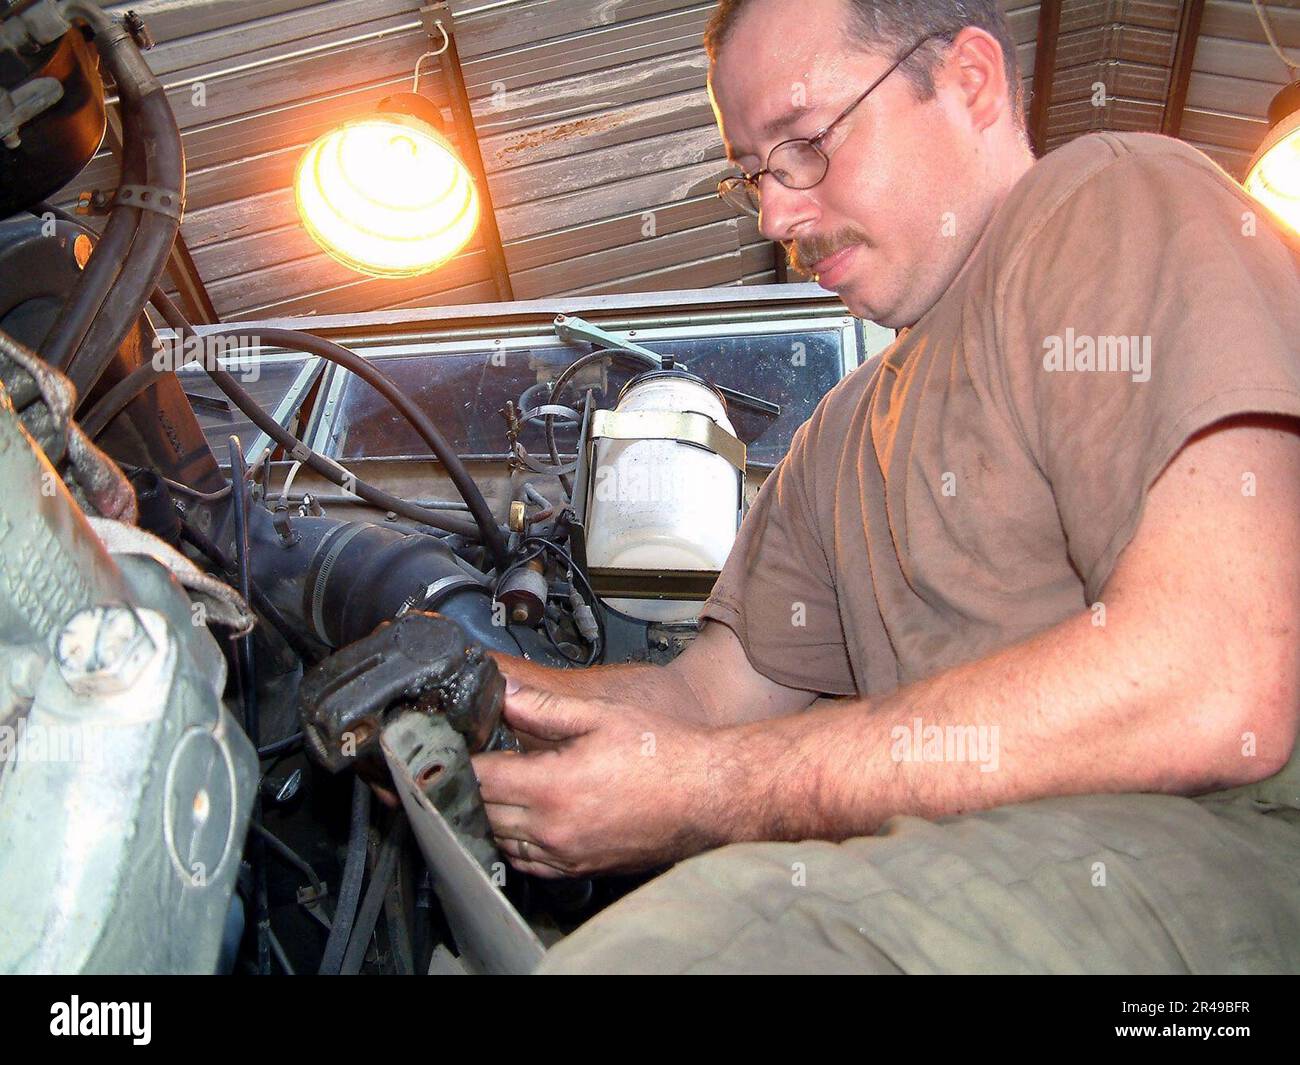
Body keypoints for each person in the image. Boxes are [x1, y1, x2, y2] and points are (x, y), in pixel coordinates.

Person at [472, 0, 1300, 973]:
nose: (778, 214)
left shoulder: (1110, 202)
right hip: (978, 870)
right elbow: (701, 707)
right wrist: (484, 699)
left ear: (970, 83)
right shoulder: (833, 444)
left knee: (718, 947)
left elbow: (1210, 687)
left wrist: (707, 790)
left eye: (806, 143)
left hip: (1224, 856)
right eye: (754, 175)